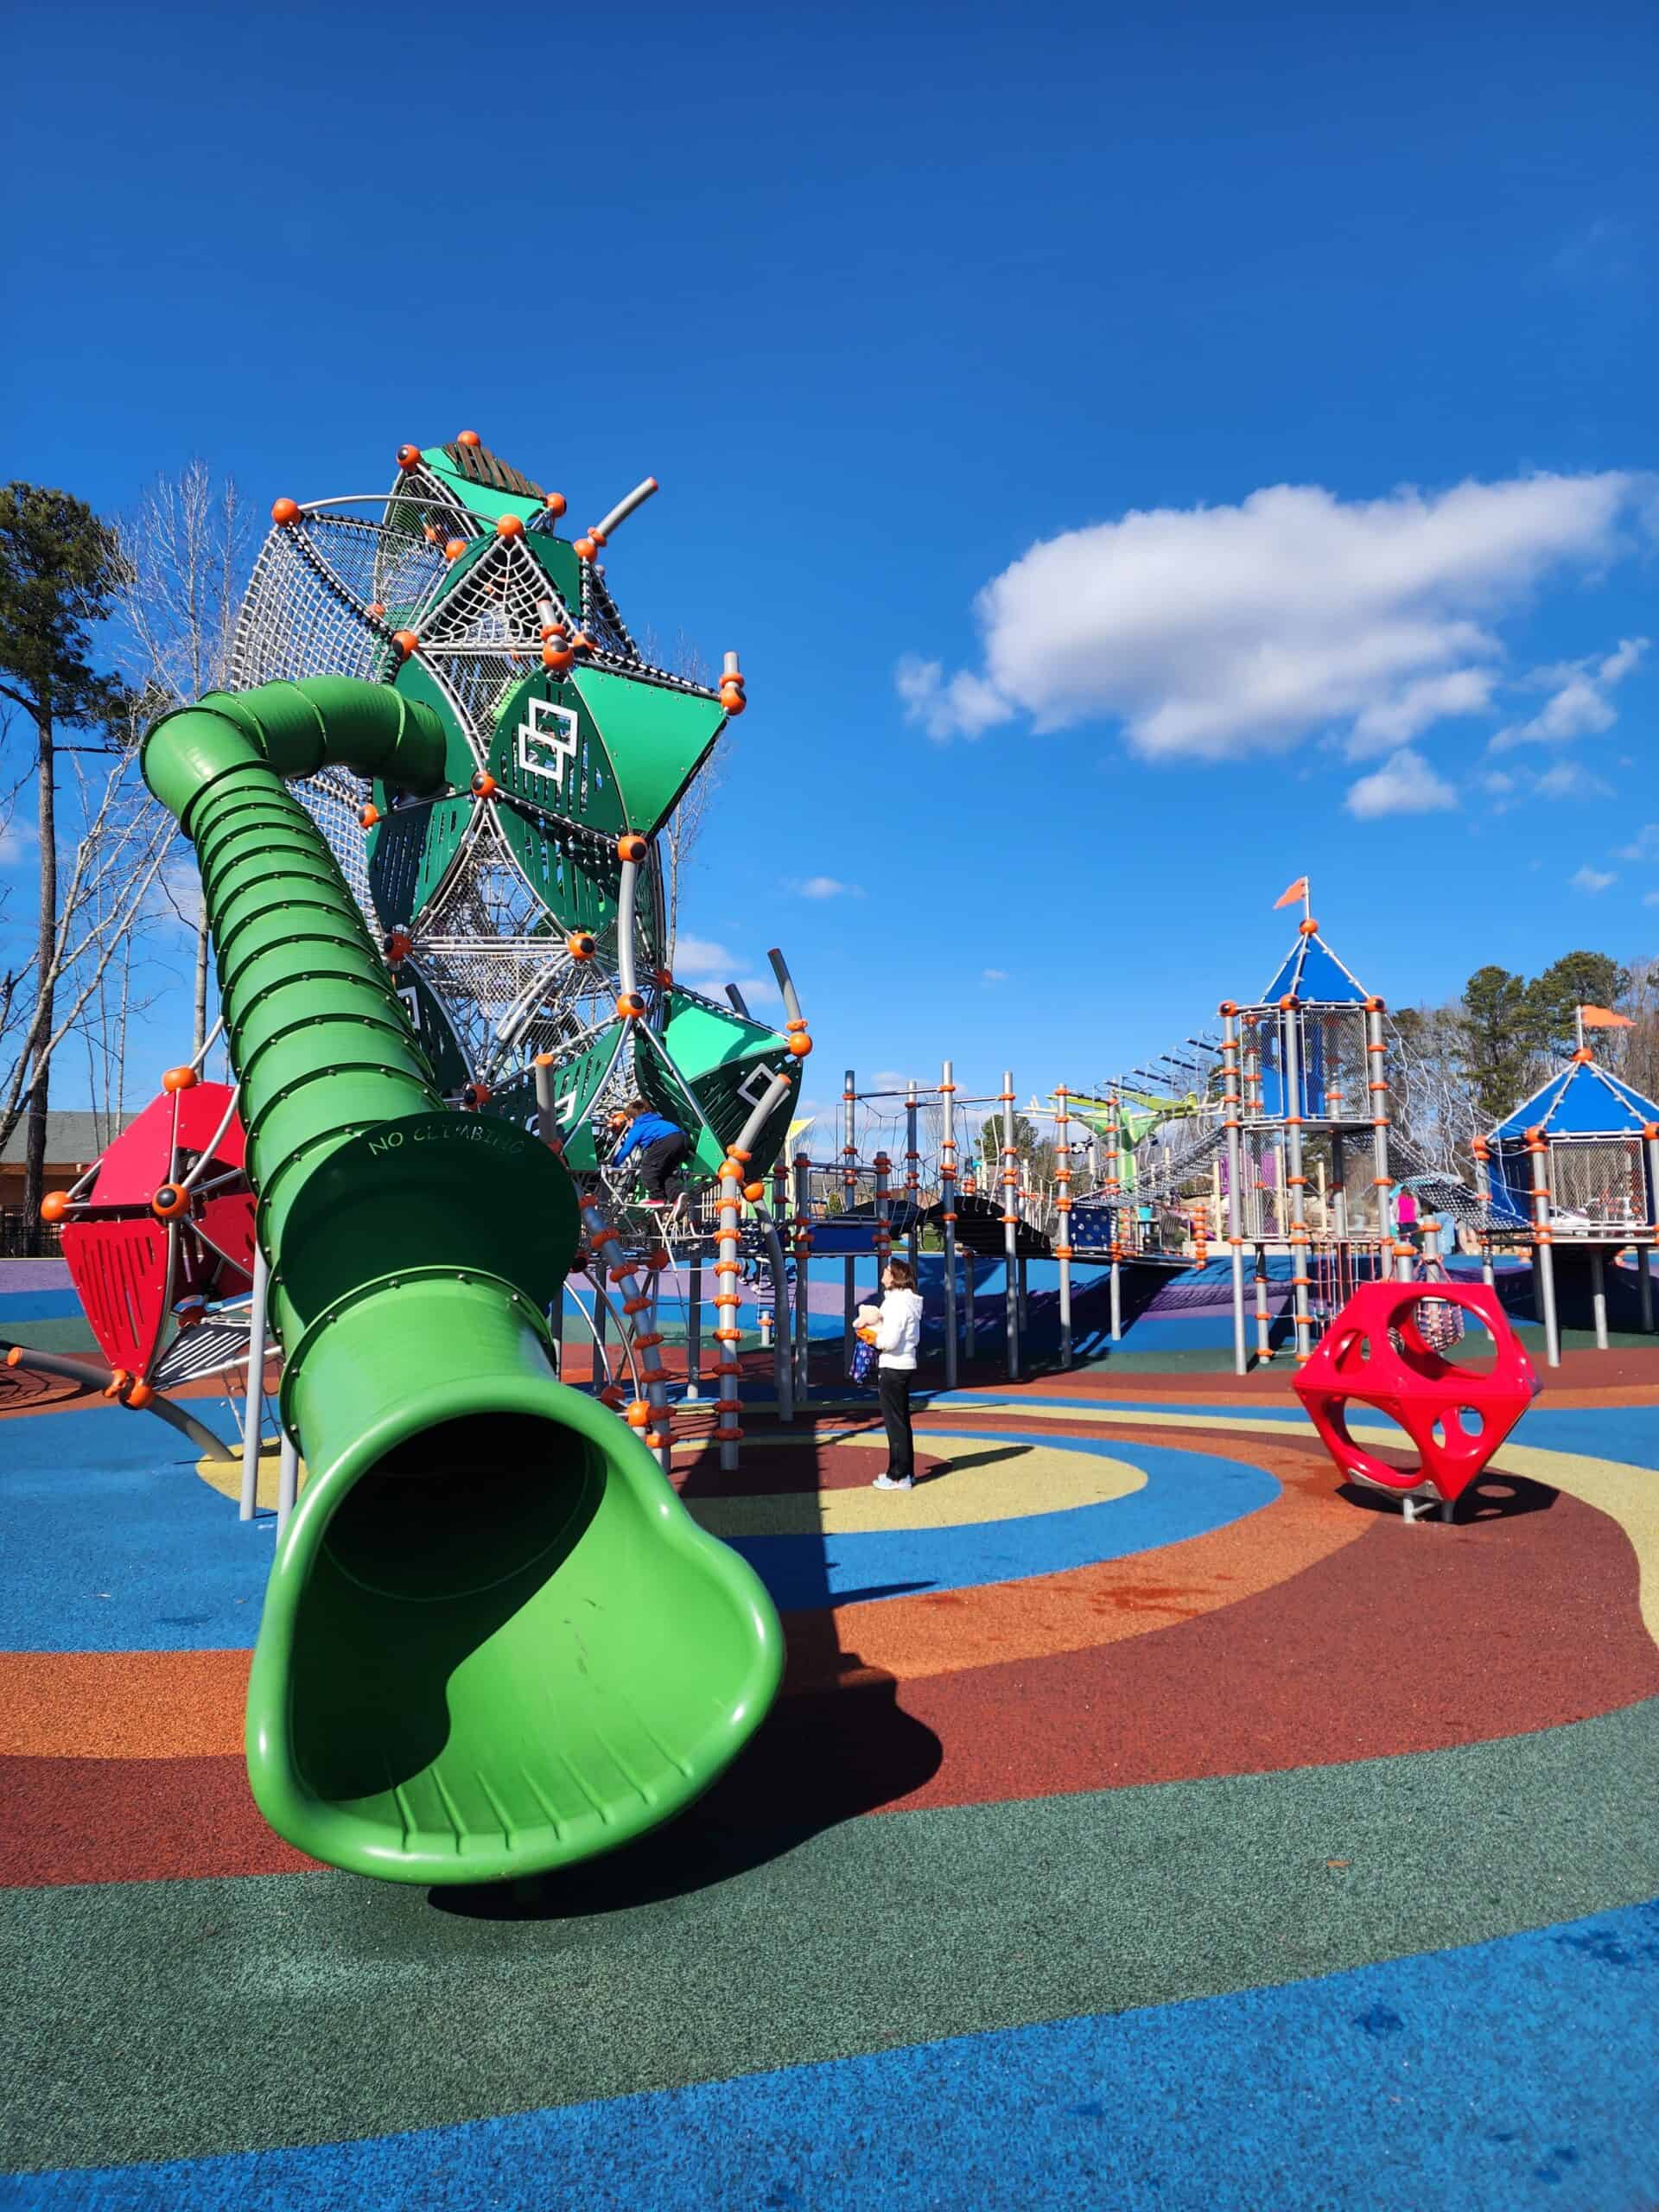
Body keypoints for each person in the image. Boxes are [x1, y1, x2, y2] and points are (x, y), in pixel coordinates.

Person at [869, 1256, 924, 1492]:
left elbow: (889, 1341)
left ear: (895, 1277)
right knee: (900, 1420)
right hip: (904, 1363)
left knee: (894, 1422)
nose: (883, 1274)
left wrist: (872, 1339)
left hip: (894, 1365)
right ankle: (904, 1472)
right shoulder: (906, 1302)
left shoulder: (896, 1304)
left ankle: (898, 1475)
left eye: (887, 1271)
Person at [609, 1098, 690, 1220]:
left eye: (627, 1121)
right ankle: (677, 1197)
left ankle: (657, 1198)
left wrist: (613, 1164)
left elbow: (626, 1150)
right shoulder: (656, 1121)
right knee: (664, 1173)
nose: (627, 1125)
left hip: (666, 1140)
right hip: (682, 1140)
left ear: (631, 1119)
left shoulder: (638, 1127)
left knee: (647, 1168)